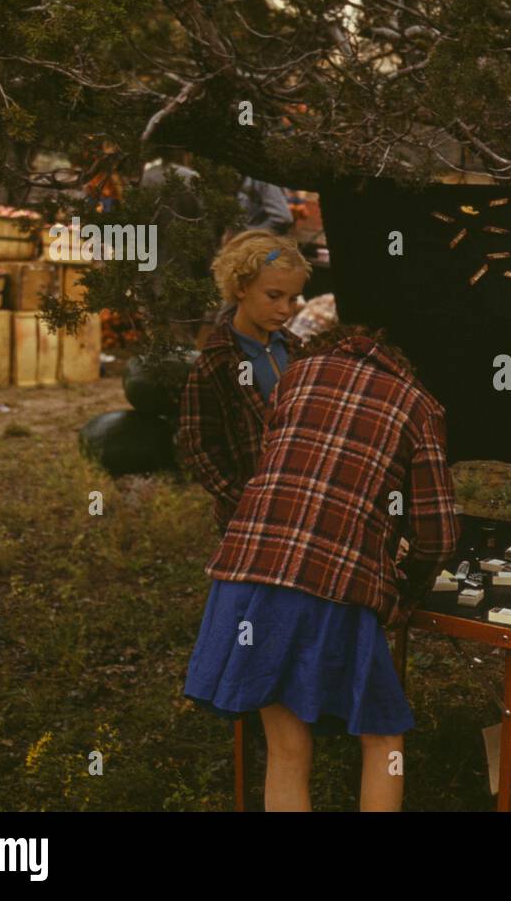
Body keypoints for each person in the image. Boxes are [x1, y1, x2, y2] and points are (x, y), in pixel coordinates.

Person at [183, 324, 460, 811]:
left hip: (249, 569)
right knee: (383, 737)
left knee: (287, 747)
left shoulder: (299, 374)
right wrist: (406, 591)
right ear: (400, 363)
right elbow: (438, 536)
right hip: (334, 583)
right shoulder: (420, 406)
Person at [177, 230, 310, 533]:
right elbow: (197, 445)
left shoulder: (296, 349)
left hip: (298, 500)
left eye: (293, 299)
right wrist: (242, 499)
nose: (285, 310)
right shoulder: (218, 361)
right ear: (240, 287)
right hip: (247, 515)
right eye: (274, 296)